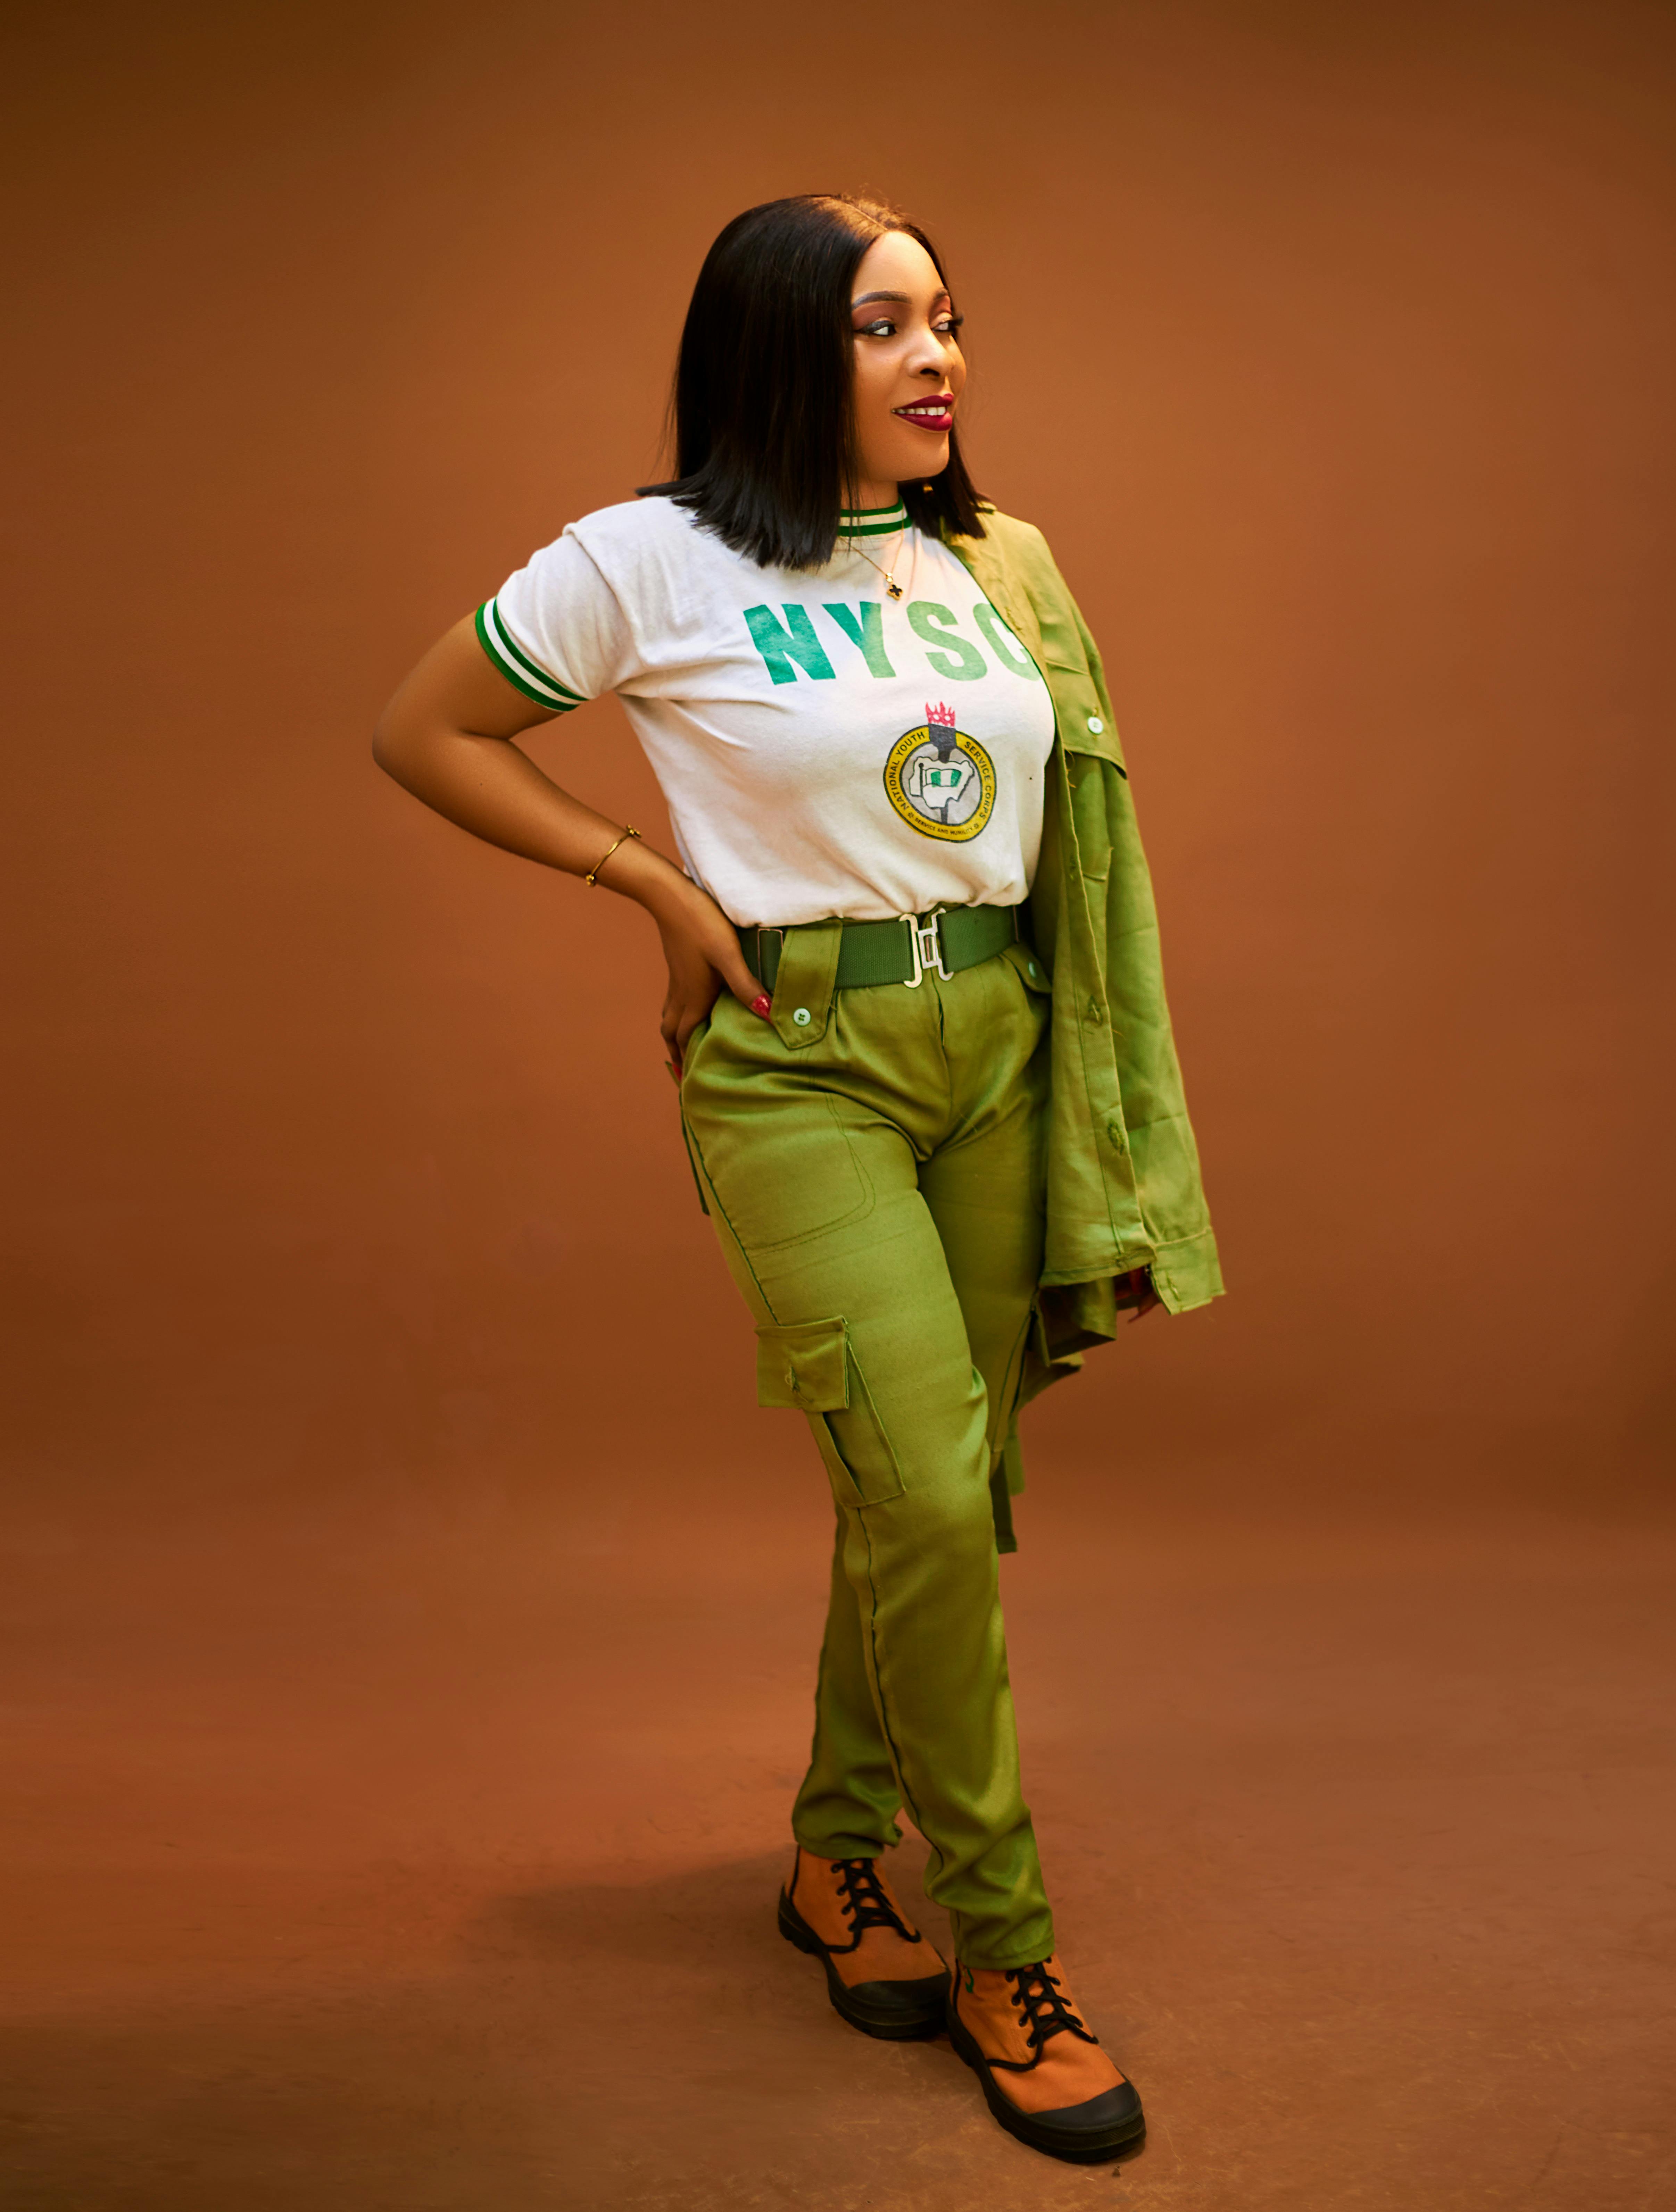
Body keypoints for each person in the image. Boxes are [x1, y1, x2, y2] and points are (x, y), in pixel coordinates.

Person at [373, 192, 1221, 2167]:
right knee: (922, 1474)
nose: (938, 358)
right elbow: (427, 728)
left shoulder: (990, 558)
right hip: (801, 1065)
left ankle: (837, 1860)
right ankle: (1008, 1946)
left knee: (932, 1483)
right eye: (883, 325)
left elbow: (1049, 843)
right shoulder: (648, 559)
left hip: (1001, 1048)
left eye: (948, 320)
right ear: (777, 349)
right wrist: (652, 886)